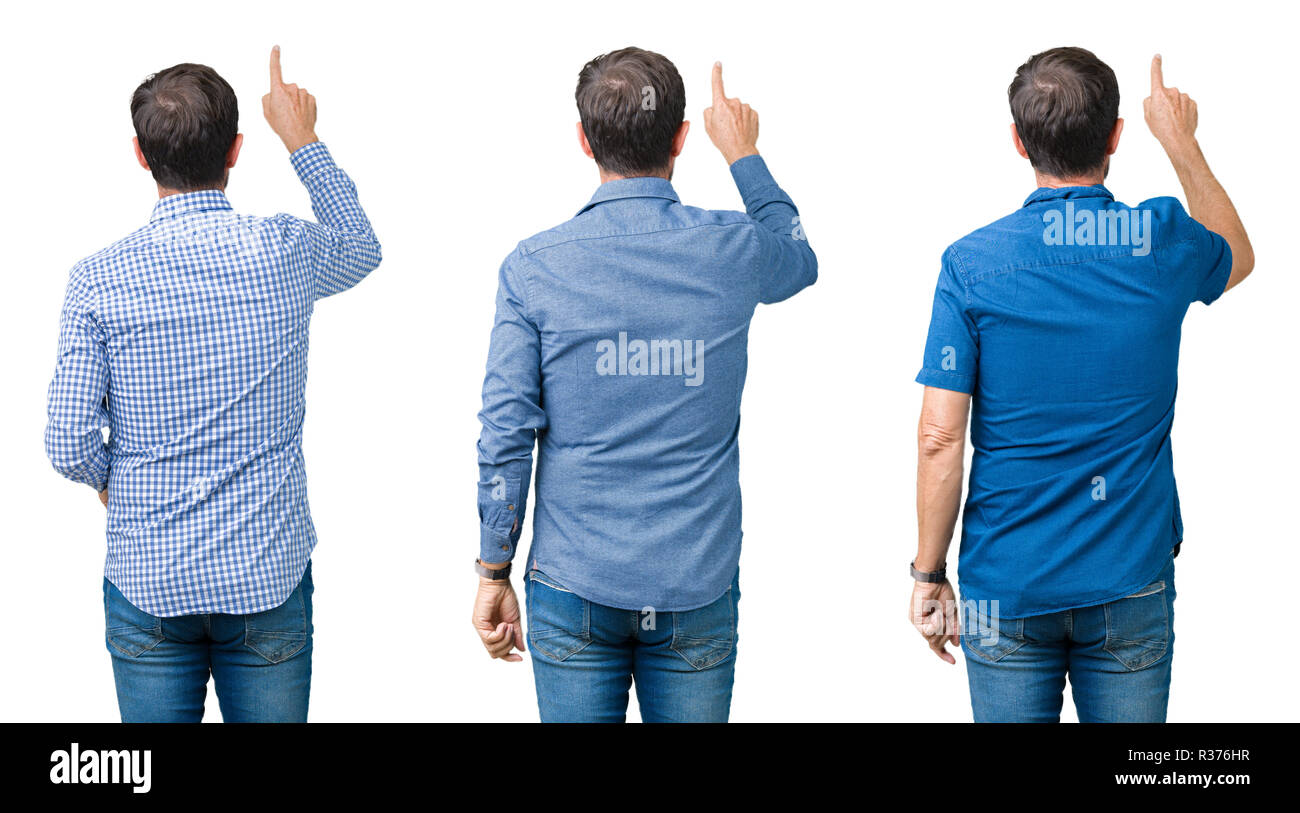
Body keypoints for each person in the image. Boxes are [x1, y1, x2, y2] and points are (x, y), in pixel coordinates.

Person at [473, 47, 816, 722]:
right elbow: (799, 258)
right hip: (695, 583)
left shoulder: (533, 267)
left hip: (575, 585)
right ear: (683, 138)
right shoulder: (736, 247)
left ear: (583, 140)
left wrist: (492, 568)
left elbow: (506, 430)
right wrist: (743, 153)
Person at [909, 48, 1252, 722]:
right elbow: (1237, 254)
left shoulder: (970, 265)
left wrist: (927, 574)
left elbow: (938, 436)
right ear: (1116, 136)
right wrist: (1180, 140)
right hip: (1128, 580)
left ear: (1018, 141)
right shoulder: (1160, 241)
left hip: (1006, 585)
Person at [44, 47, 381, 722]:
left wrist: (115, 483)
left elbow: (67, 441)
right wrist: (303, 138)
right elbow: (360, 247)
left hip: (150, 579)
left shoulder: (97, 280)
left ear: (140, 156)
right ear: (236, 150)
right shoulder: (283, 251)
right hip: (265, 576)